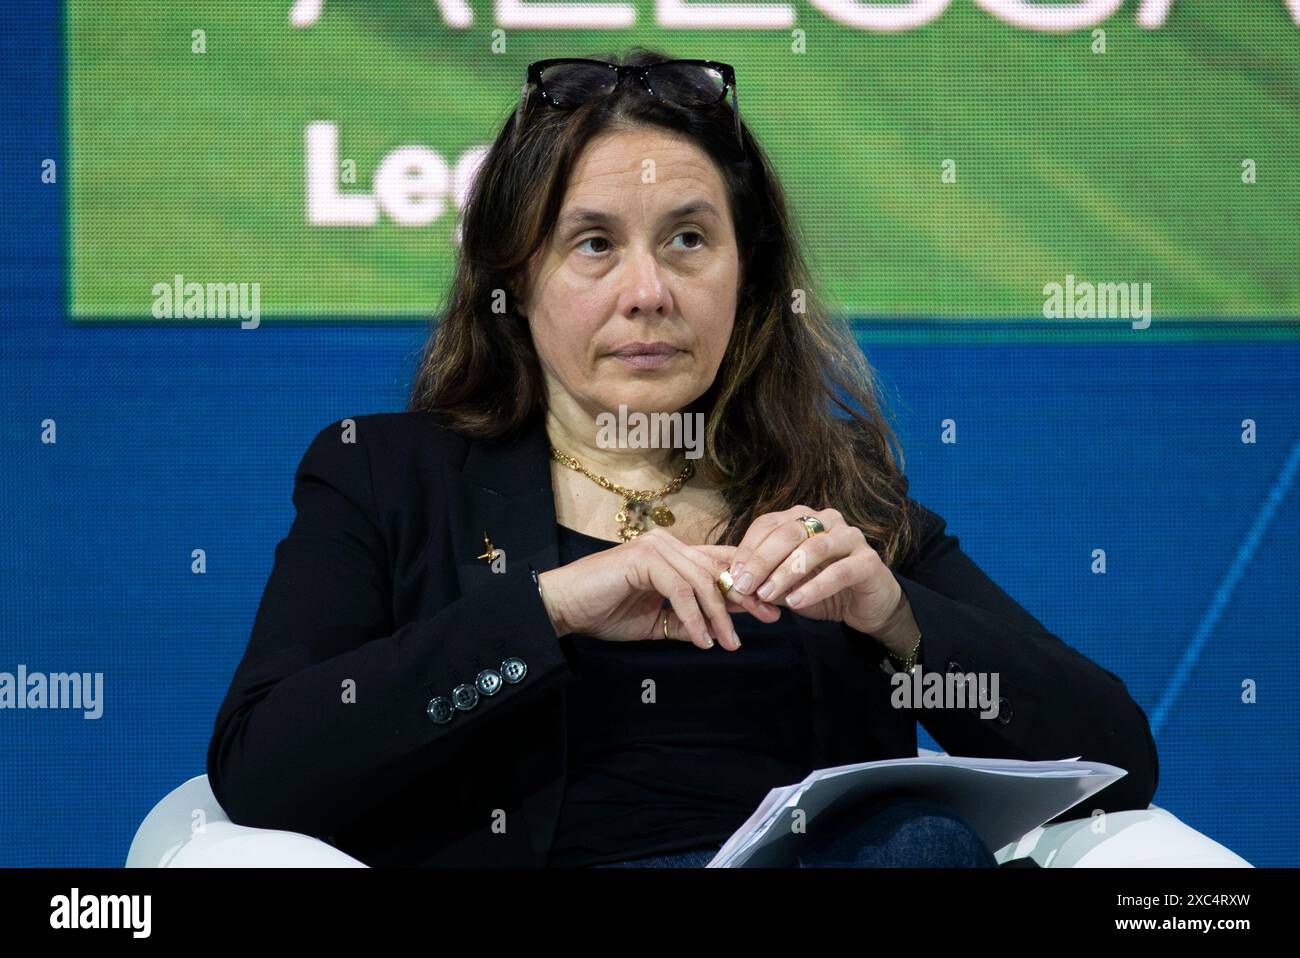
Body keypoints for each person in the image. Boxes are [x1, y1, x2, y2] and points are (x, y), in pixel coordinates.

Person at [206, 47, 1158, 868]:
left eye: (689, 240)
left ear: (748, 279)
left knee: (916, 847)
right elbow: (265, 767)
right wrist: (551, 608)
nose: (648, 291)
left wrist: (894, 618)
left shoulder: (839, 486)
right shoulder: (388, 476)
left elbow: (1114, 758)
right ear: (515, 279)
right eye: (592, 245)